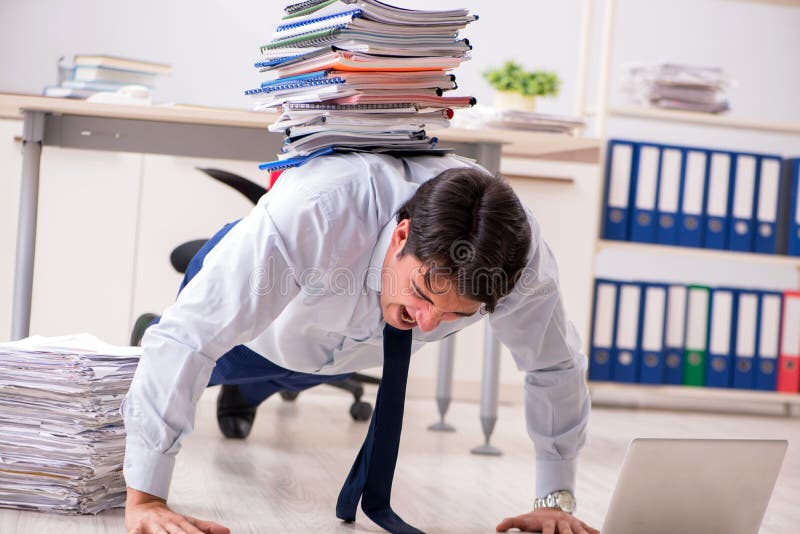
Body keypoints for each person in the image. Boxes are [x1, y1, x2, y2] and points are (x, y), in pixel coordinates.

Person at [122, 153, 596, 534]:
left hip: (340, 345)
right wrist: (146, 498)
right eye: (425, 294)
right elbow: (191, 338)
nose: (429, 326)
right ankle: (152, 331)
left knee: (317, 363)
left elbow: (554, 366)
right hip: (261, 321)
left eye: (457, 315)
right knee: (193, 345)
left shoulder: (519, 260)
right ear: (402, 236)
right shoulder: (317, 210)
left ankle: (254, 388)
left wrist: (554, 501)